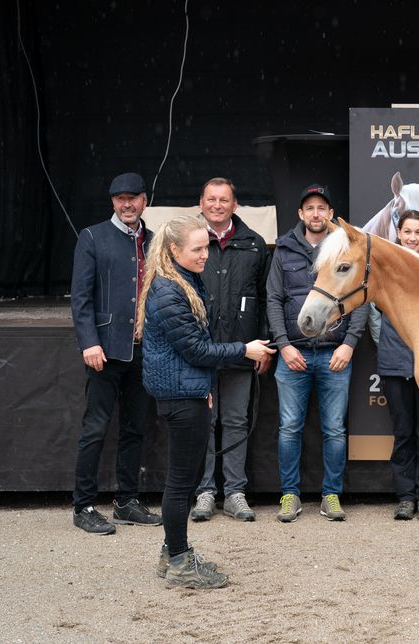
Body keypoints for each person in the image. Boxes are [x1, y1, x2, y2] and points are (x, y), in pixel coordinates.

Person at [137, 214, 274, 588]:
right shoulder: (169, 291)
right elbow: (196, 348)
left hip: (188, 390)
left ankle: (173, 552)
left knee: (180, 482)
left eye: (205, 248)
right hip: (181, 398)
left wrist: (205, 383)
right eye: (197, 249)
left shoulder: (181, 282)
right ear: (173, 250)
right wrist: (244, 349)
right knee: (181, 484)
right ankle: (180, 561)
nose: (205, 255)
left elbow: (192, 353)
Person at [266, 184, 369, 523]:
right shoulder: (283, 249)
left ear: (330, 212)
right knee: (289, 428)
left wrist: (348, 343)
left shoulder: (345, 247)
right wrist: (284, 345)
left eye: (321, 207)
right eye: (309, 208)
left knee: (335, 431)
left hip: (333, 354)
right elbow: (274, 300)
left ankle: (331, 496)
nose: (315, 213)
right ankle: (289, 495)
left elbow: (359, 297)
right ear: (300, 214)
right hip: (293, 355)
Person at [70, 172, 162, 534]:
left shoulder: (155, 241)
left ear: (144, 200)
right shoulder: (92, 237)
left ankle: (126, 502)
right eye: (120, 198)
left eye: (133, 198)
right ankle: (84, 506)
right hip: (104, 351)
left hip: (144, 351)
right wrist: (89, 342)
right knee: (95, 429)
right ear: (112, 202)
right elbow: (80, 298)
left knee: (136, 429)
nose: (127, 204)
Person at [189, 178, 272, 524]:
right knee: (205, 422)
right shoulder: (189, 242)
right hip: (201, 351)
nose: (218, 205)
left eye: (224, 200)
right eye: (212, 199)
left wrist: (266, 346)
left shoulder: (254, 244)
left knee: (237, 421)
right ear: (202, 203)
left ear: (235, 205)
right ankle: (205, 492)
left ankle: (235, 492)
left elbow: (267, 299)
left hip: (243, 350)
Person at [368, 210, 419, 521]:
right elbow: (375, 317)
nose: (412, 237)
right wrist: (391, 343)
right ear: (398, 233)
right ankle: (405, 497)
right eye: (407, 232)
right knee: (403, 433)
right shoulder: (385, 268)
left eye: (418, 232)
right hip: (393, 362)